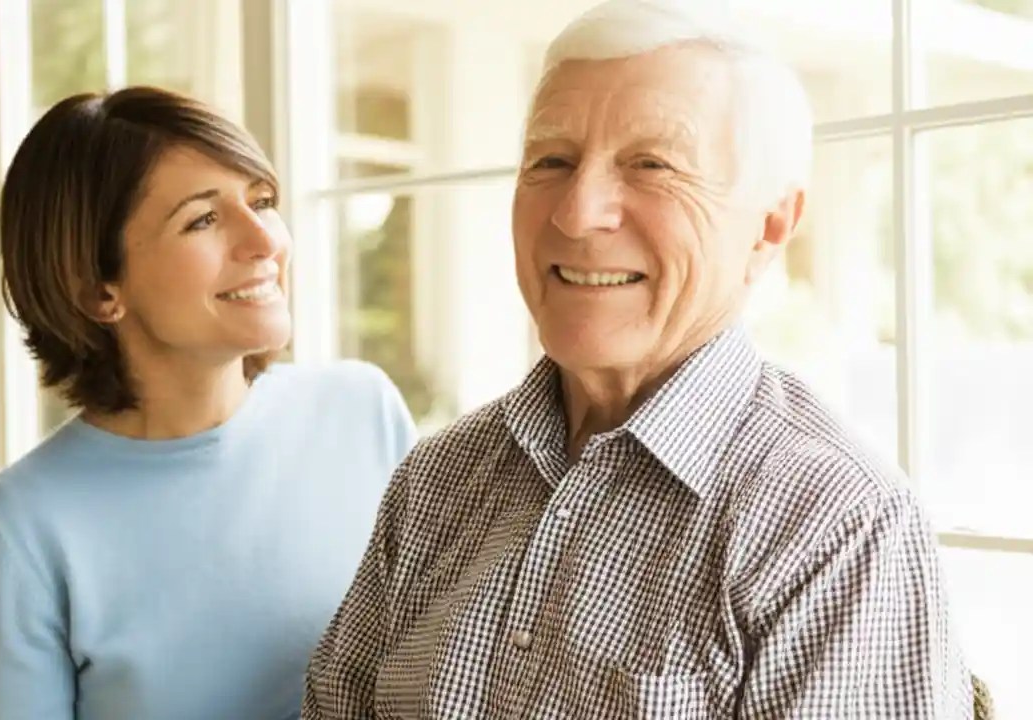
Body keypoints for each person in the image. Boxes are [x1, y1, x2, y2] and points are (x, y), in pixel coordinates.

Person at [303, 2, 972, 717]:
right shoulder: (435, 482)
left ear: (771, 226)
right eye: (550, 161)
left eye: (651, 165)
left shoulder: (835, 525)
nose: (576, 212)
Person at [0, 86, 416, 720]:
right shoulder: (17, 530)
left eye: (262, 201)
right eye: (203, 219)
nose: (264, 242)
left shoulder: (364, 414)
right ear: (96, 289)